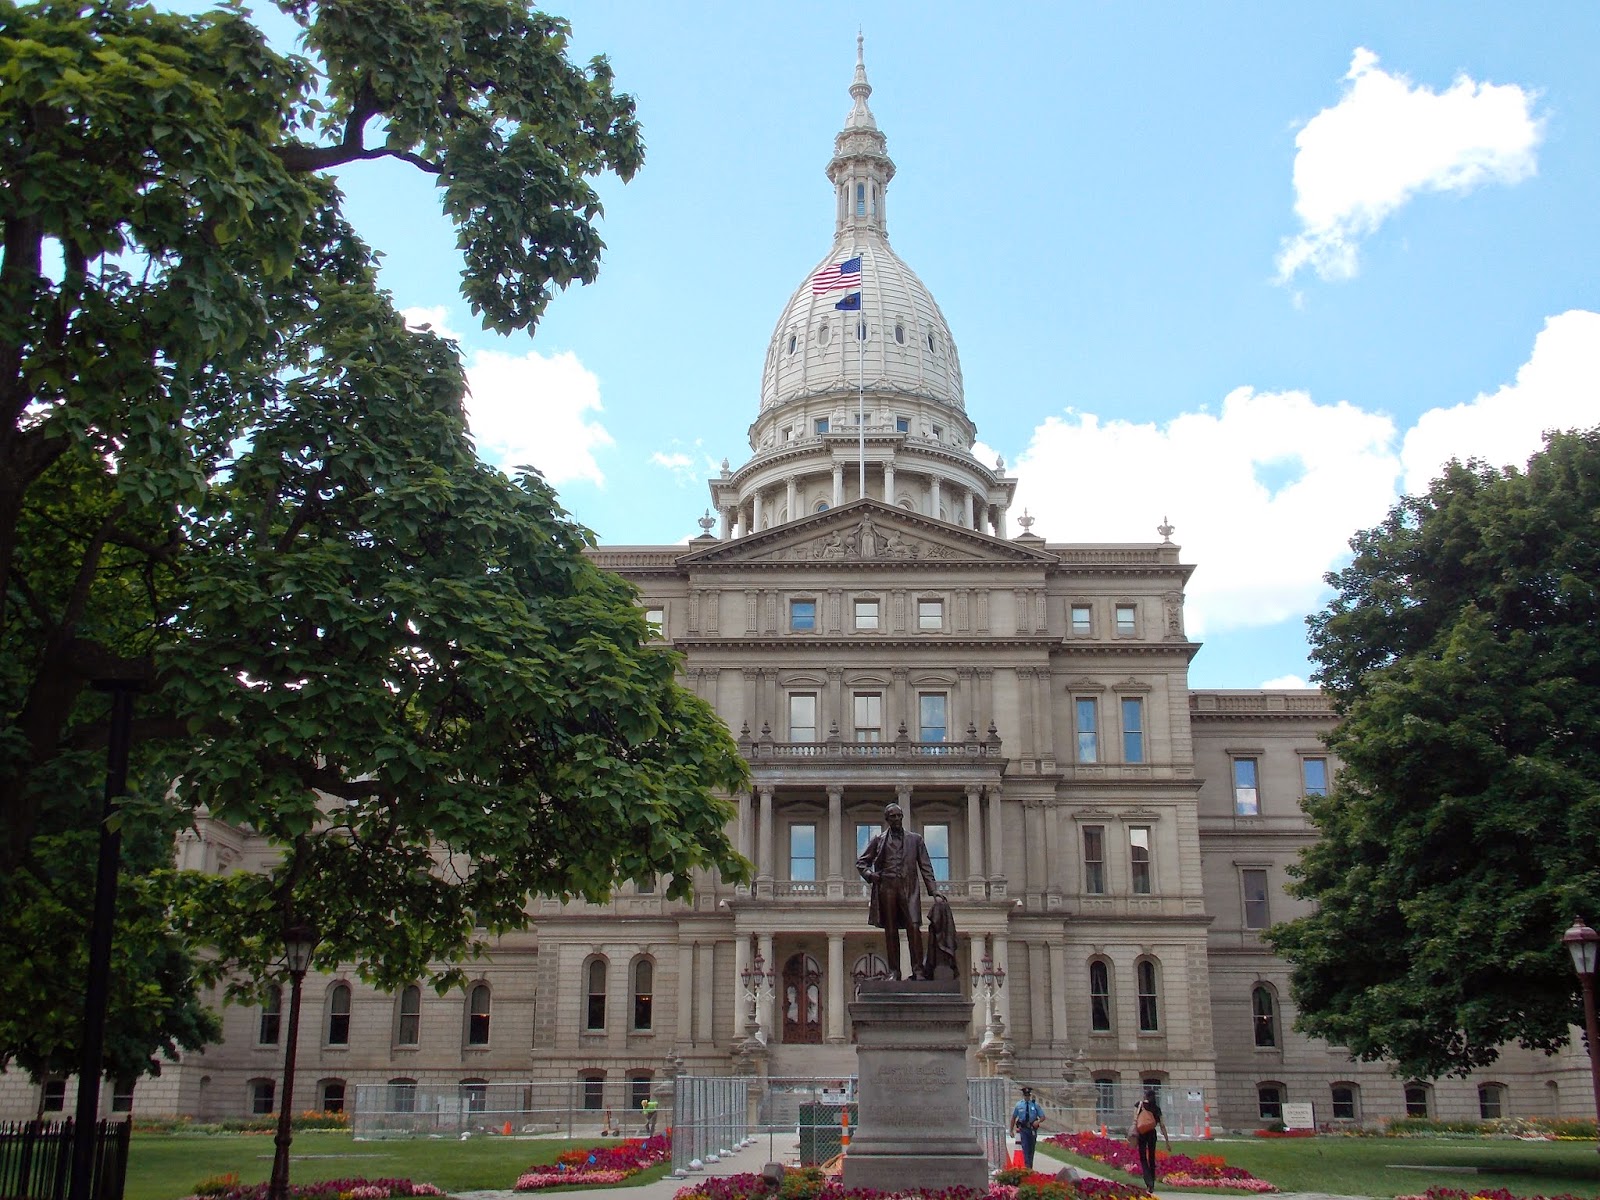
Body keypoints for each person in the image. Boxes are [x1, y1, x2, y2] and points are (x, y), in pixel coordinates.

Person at [856, 802, 938, 980]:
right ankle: (895, 971)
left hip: (909, 887)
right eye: (893, 816)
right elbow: (861, 863)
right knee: (891, 930)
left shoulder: (915, 840)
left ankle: (918, 970)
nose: (897, 819)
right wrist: (871, 875)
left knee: (914, 927)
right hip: (887, 888)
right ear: (887, 819)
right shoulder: (878, 840)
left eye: (899, 816)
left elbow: (925, 866)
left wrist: (934, 891)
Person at [1130, 1087, 1171, 1191]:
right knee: (1152, 1158)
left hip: (1142, 1133)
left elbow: (1135, 1118)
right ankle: (1152, 1181)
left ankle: (1148, 1181)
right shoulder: (1157, 1109)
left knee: (1143, 1158)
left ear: (1145, 1096)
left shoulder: (1139, 1105)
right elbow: (1162, 1125)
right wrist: (1167, 1141)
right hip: (1152, 1133)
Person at [1007, 1085, 1044, 1168]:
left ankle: (1030, 1165)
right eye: (1025, 1095)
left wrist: (1037, 1121)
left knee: (1031, 1148)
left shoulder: (1035, 1105)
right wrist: (1011, 1130)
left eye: (1028, 1095)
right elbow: (1013, 1118)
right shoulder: (1019, 1105)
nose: (1027, 1097)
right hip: (1023, 1129)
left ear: (1030, 1096)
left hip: (1032, 1129)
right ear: (1023, 1096)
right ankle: (1027, 1167)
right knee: (1025, 1148)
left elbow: (1042, 1117)